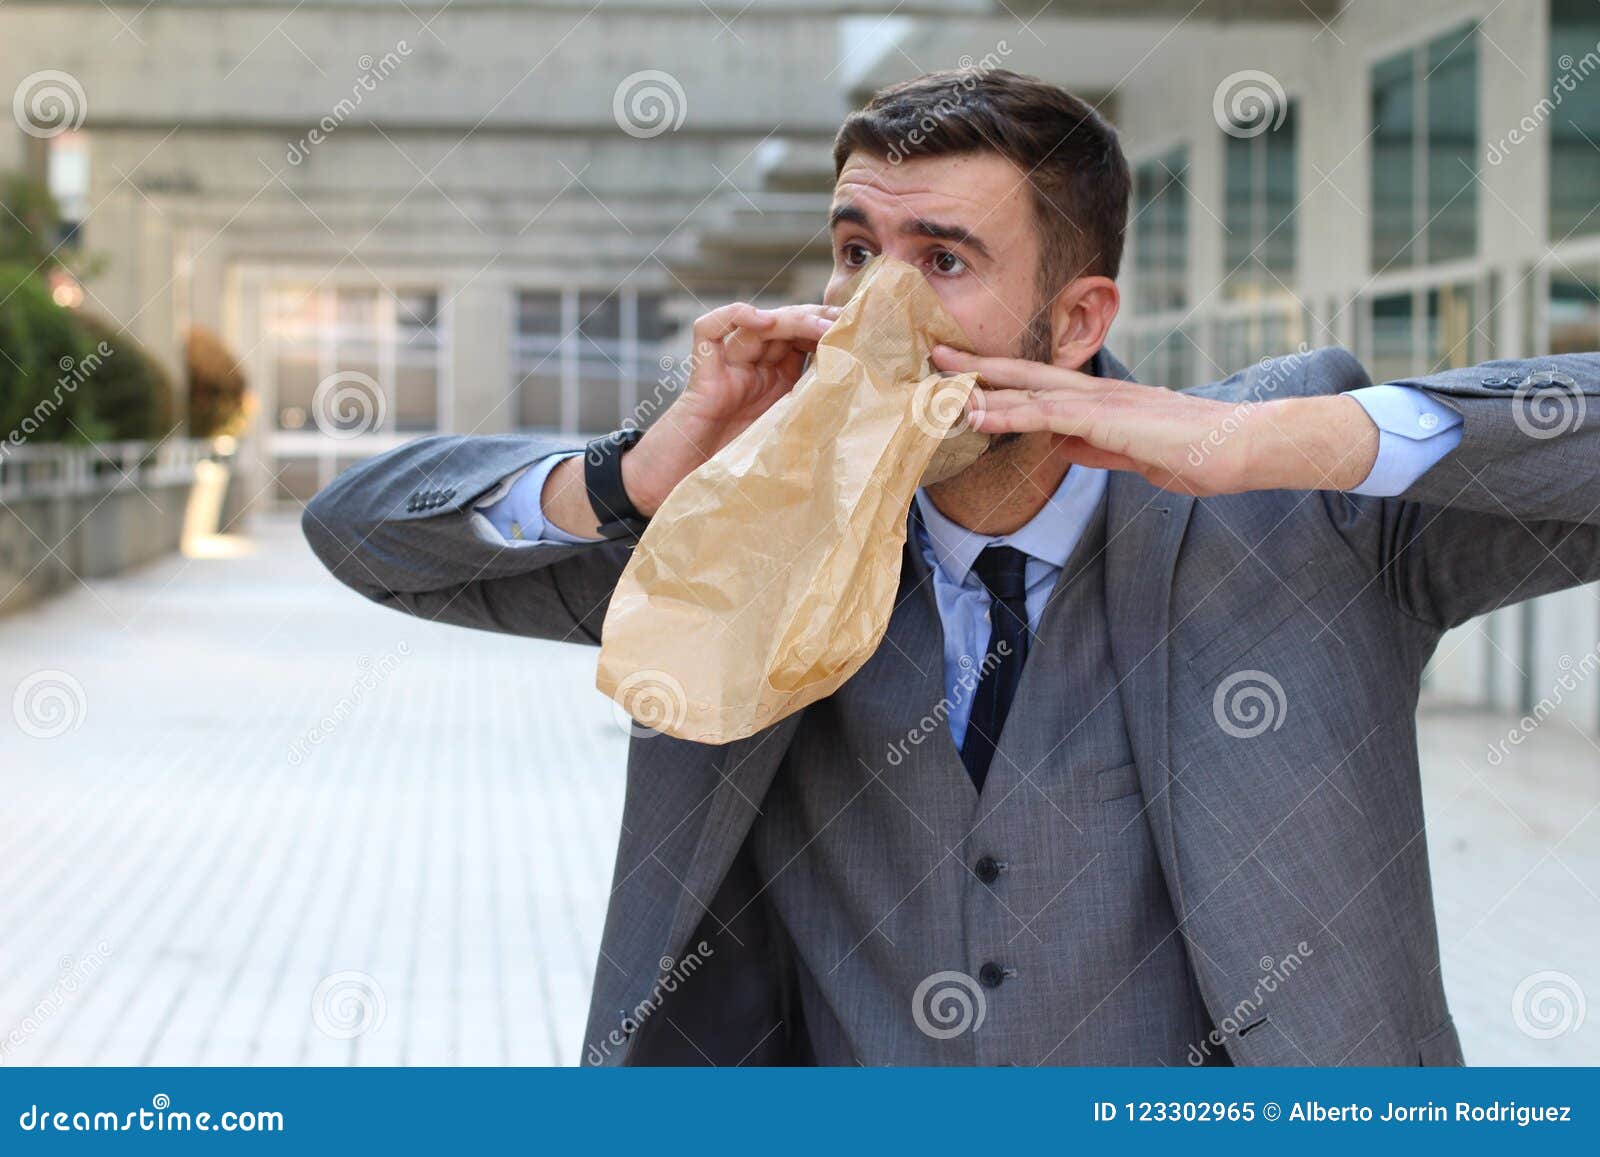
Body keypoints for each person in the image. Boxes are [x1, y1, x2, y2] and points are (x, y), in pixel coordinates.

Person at [303, 69, 1600, 1066]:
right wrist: (638, 474)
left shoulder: (1301, 503)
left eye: (943, 260)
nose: (878, 306)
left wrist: (1271, 437)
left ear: (1080, 319)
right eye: (858, 249)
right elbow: (365, 531)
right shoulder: (751, 537)